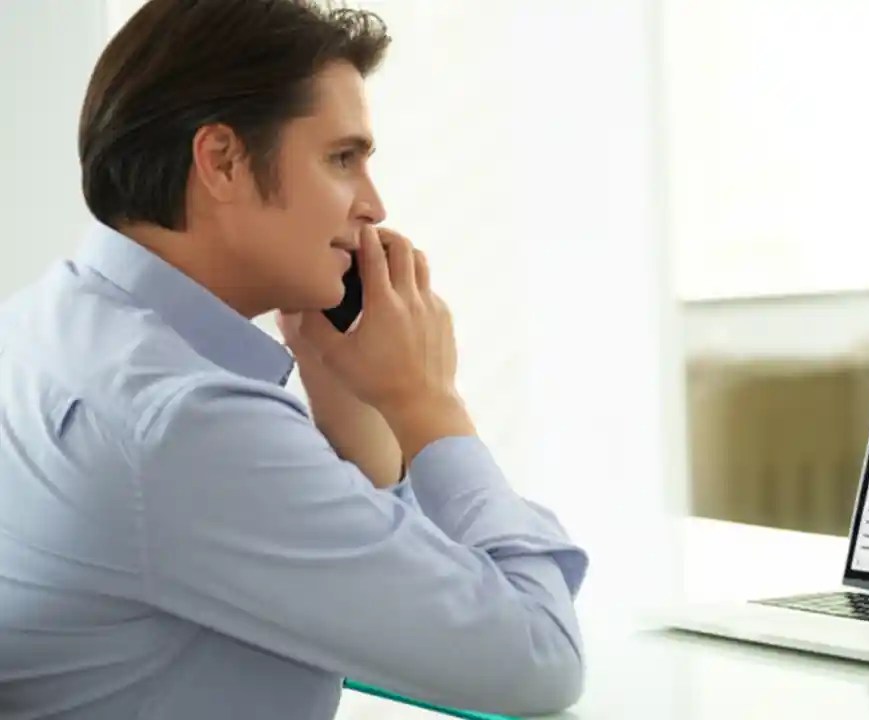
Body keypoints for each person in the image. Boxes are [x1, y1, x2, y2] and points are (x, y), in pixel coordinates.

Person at [0, 1, 587, 718]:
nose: (373, 205)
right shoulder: (187, 424)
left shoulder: (44, 325)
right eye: (343, 159)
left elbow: (389, 591)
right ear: (222, 161)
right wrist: (430, 405)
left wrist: (353, 405)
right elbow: (537, 659)